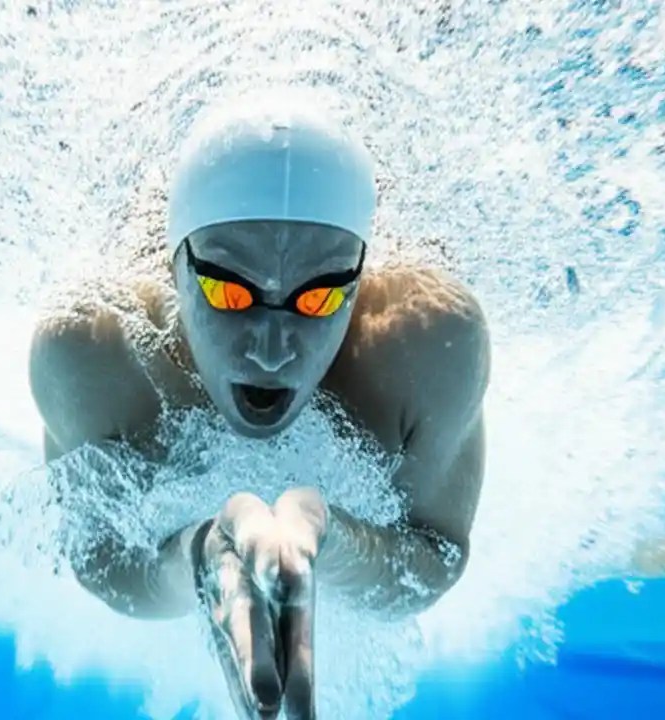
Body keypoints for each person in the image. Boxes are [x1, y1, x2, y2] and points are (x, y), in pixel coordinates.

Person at [28, 92, 491, 719]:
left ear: (360, 281)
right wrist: (197, 558)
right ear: (174, 271)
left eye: (319, 299)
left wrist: (331, 539)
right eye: (229, 291)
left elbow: (434, 555)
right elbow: (97, 555)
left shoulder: (425, 347)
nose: (273, 351)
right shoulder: (96, 352)